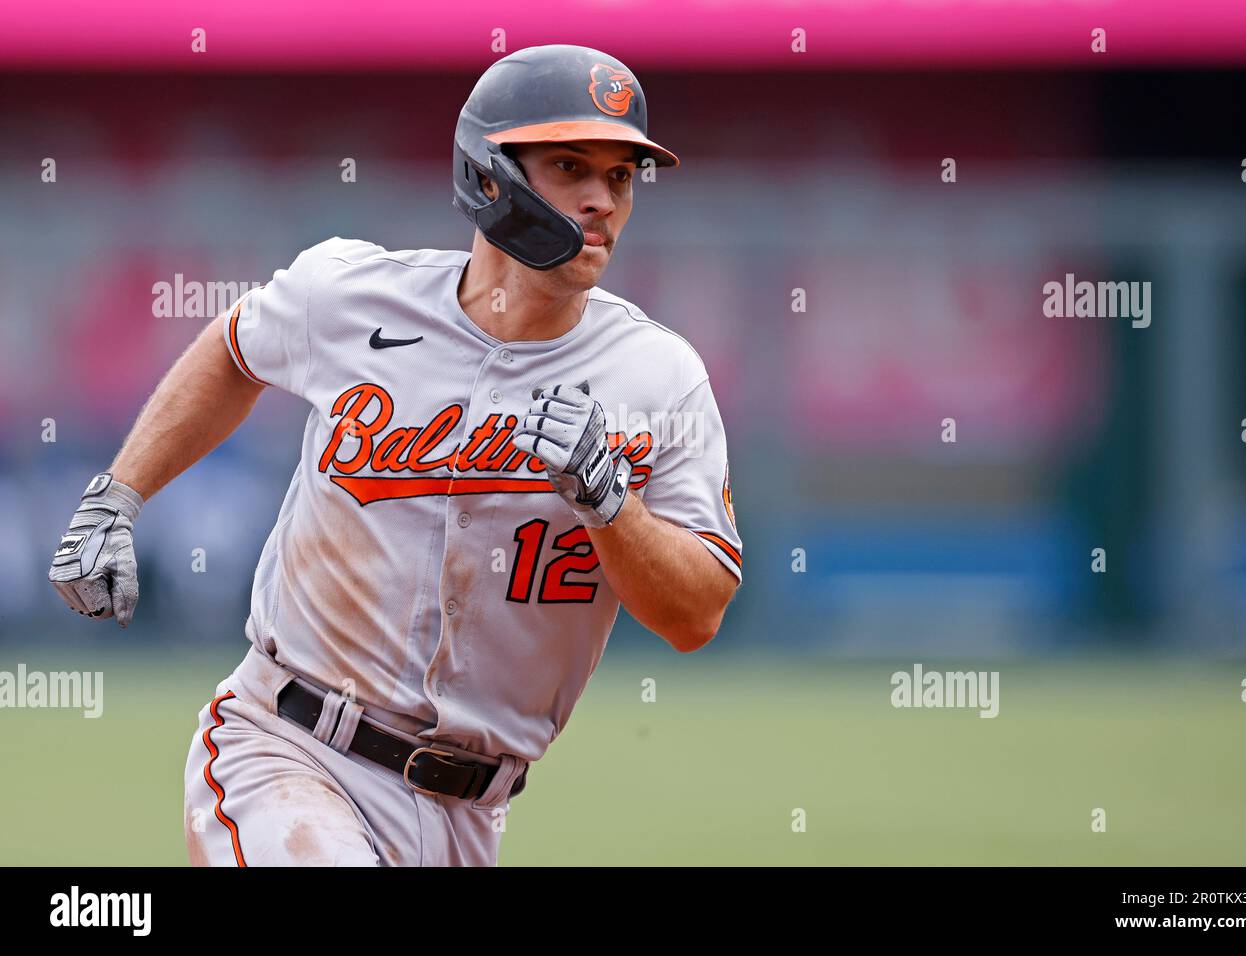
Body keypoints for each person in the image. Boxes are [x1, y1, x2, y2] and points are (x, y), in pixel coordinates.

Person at [47, 44, 742, 867]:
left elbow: (697, 613)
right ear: (490, 175)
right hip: (291, 750)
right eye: (568, 166)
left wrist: (609, 503)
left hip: (469, 815)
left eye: (621, 177)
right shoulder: (349, 295)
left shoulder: (660, 378)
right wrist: (117, 497)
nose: (602, 200)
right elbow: (235, 350)